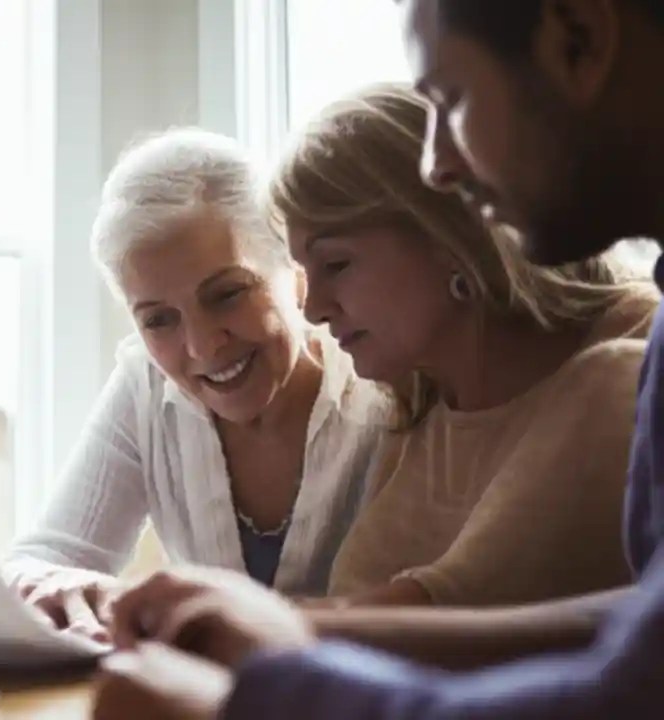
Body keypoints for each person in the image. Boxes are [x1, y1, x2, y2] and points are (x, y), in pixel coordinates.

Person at [92, 0, 664, 717]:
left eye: (452, 99)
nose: (442, 165)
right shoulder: (415, 403)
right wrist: (285, 634)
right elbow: (635, 630)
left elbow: (627, 682)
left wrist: (258, 683)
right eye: (157, 318)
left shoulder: (615, 374)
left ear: (581, 39)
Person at [276, 83, 654, 609]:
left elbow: (450, 606)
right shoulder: (418, 398)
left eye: (336, 265)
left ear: (448, 235)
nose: (313, 309)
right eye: (304, 273)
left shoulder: (637, 351)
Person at [5, 129, 388, 639]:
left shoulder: (381, 384)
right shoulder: (145, 386)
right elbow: (41, 558)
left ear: (295, 272)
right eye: (158, 320)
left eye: (227, 294)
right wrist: (62, 584)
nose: (203, 347)